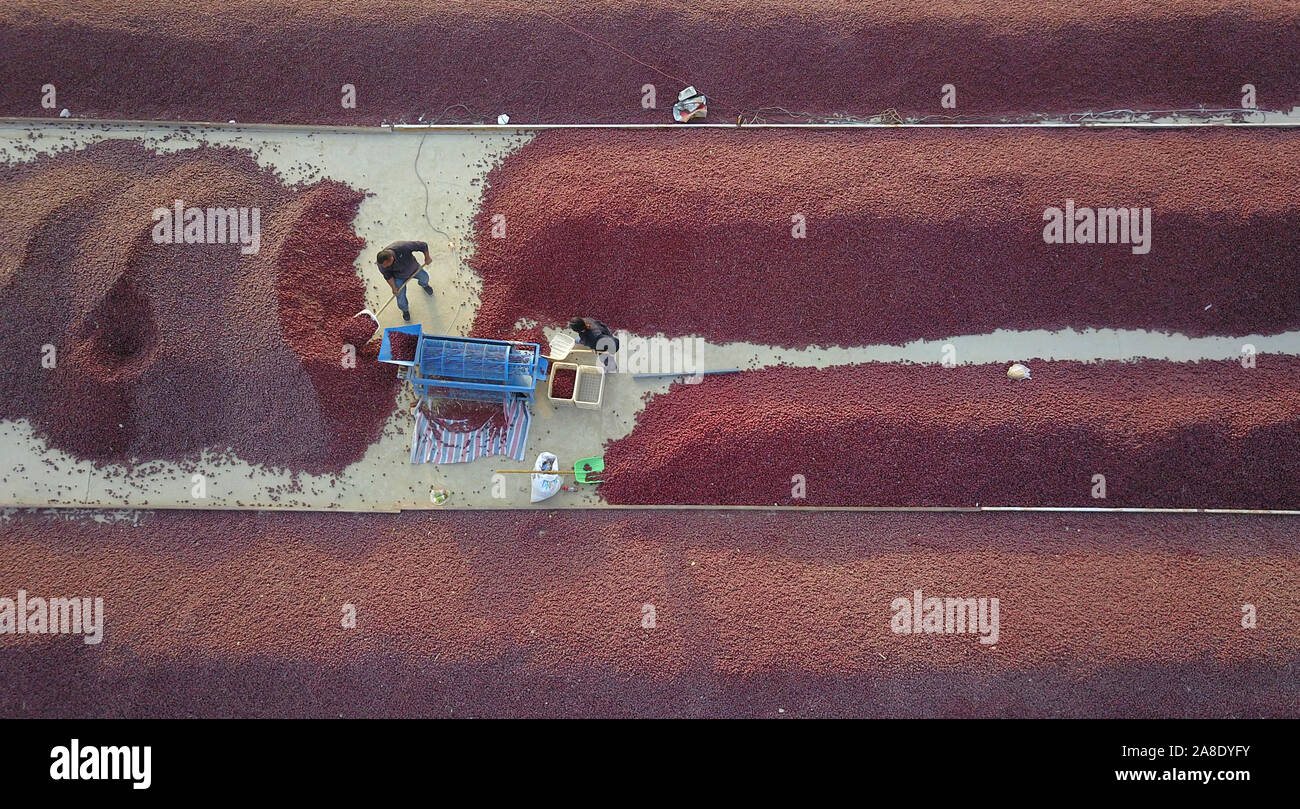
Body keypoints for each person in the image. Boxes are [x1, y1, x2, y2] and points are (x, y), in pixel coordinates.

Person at [376, 240, 434, 321]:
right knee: (400, 298)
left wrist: (427, 257)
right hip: (399, 277)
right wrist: (394, 288)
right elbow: (388, 276)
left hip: (414, 268)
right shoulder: (382, 265)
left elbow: (423, 245)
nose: (384, 267)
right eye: (383, 266)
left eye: (386, 265)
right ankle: (405, 310)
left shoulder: (402, 246)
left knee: (425, 278)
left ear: (391, 259)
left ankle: (424, 285)